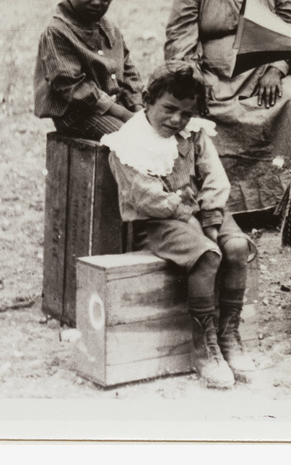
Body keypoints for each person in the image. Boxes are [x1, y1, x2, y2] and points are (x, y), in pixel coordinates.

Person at [102, 62, 256, 389]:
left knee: (237, 246)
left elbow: (213, 176)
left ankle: (229, 333)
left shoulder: (193, 133)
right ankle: (205, 345)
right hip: (158, 221)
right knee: (207, 254)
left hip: (200, 209)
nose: (176, 120)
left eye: (185, 113)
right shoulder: (128, 143)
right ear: (147, 101)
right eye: (169, 110)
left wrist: (212, 217)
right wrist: (191, 215)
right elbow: (146, 198)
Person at [164, 0, 291, 229]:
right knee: (201, 111)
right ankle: (216, 205)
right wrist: (196, 79)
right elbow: (179, 40)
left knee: (288, 102)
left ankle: (287, 204)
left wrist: (278, 68)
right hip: (213, 76)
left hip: (266, 75)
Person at [34, 0, 143, 139]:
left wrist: (138, 108)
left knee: (159, 130)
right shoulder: (57, 32)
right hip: (78, 113)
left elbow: (129, 70)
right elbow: (72, 86)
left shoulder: (110, 28)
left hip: (115, 106)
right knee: (131, 138)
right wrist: (124, 115)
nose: (96, 2)